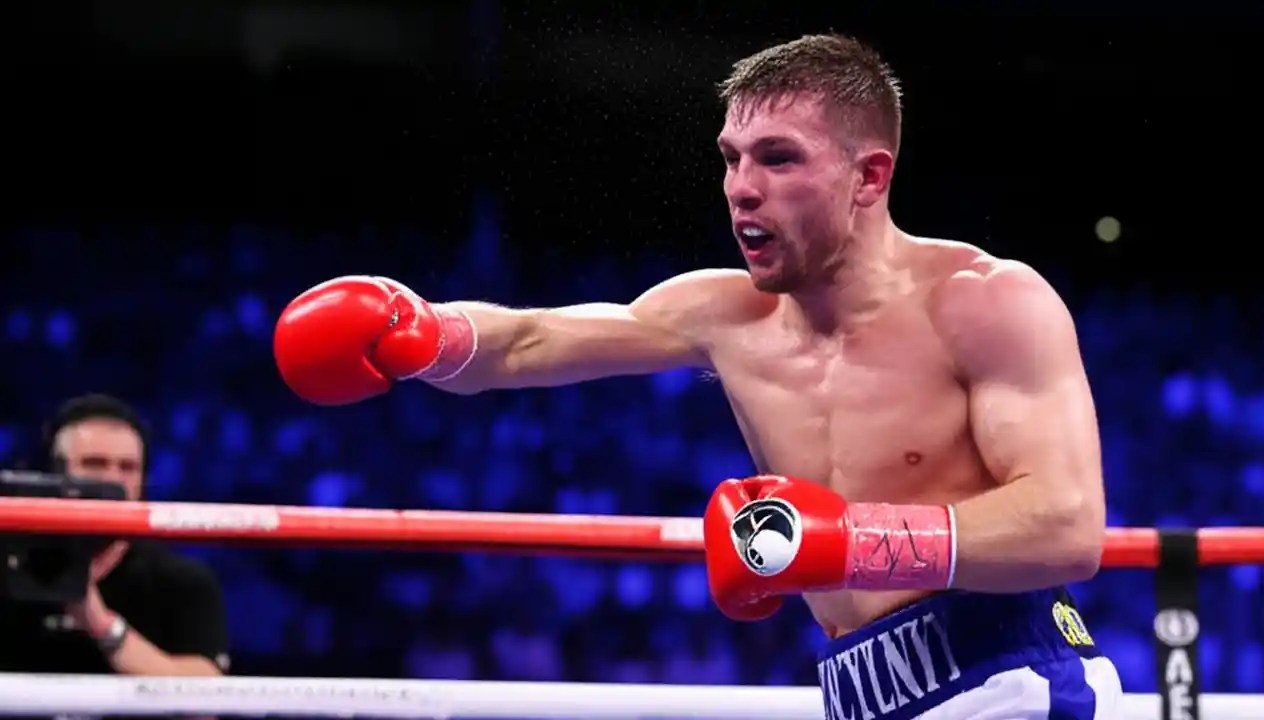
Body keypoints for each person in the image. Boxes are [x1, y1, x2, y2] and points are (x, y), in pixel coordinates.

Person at [273, 33, 1122, 719]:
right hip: (862, 694)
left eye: (779, 159)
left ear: (870, 176)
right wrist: (421, 334)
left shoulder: (984, 303)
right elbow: (531, 341)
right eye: (731, 158)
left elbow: (1068, 525)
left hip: (1013, 683)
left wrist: (843, 542)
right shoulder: (727, 316)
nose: (741, 190)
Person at [0, 394, 230, 684]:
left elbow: (206, 706)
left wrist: (103, 626)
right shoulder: (7, 567)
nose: (113, 480)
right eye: (94, 464)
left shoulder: (181, 581)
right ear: (58, 472)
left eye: (127, 467)